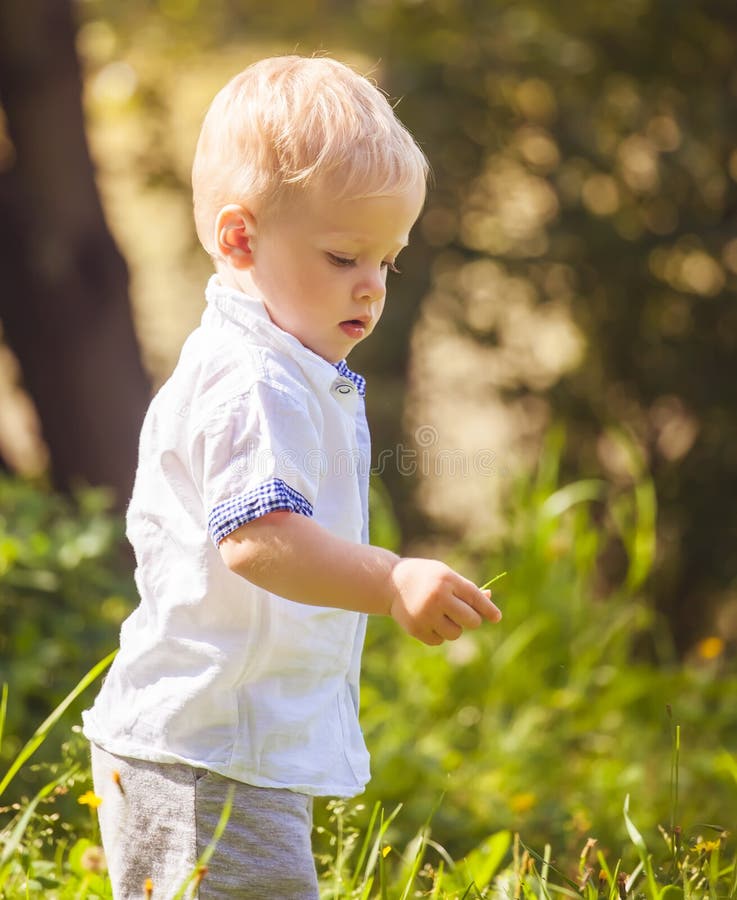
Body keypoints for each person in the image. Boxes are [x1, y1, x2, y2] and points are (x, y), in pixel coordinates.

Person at [83, 54, 502, 899]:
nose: (371, 287)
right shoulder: (253, 378)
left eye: (388, 261)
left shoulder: (283, 365)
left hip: (222, 748)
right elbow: (259, 539)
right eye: (345, 255)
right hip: (206, 755)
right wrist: (391, 578)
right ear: (239, 238)